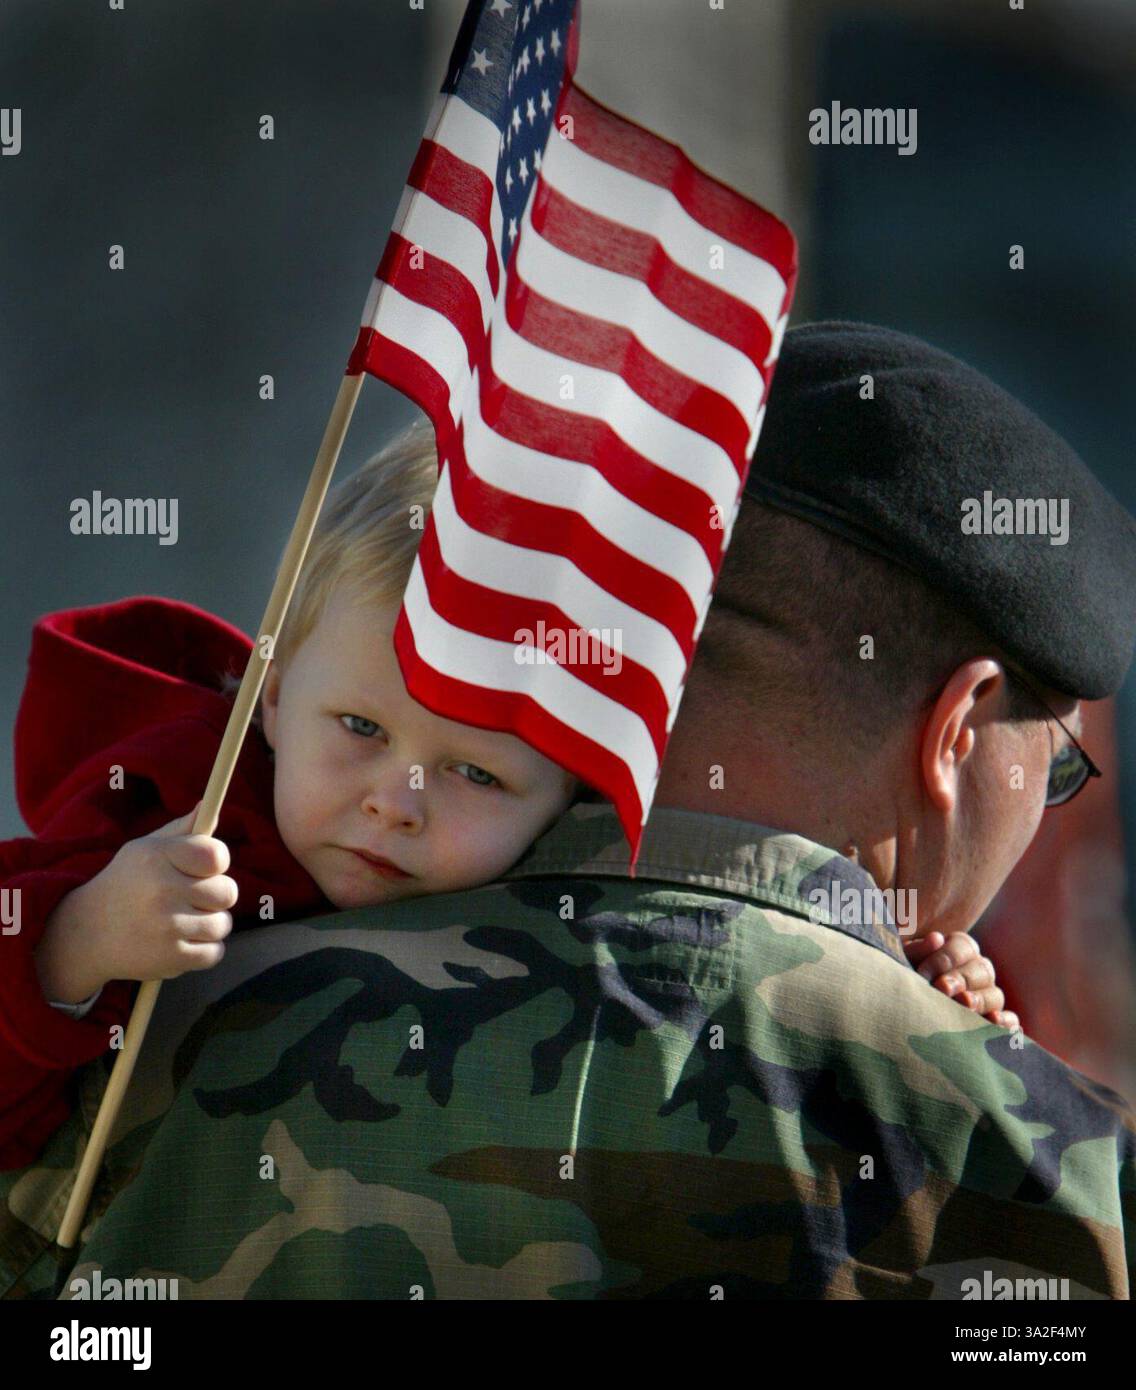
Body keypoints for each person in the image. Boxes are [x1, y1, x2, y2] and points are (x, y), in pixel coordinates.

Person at [3, 321, 1134, 1300]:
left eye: (468, 771)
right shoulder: (1045, 1167)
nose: (396, 800)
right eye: (1060, 770)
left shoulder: (118, 1024)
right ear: (955, 728)